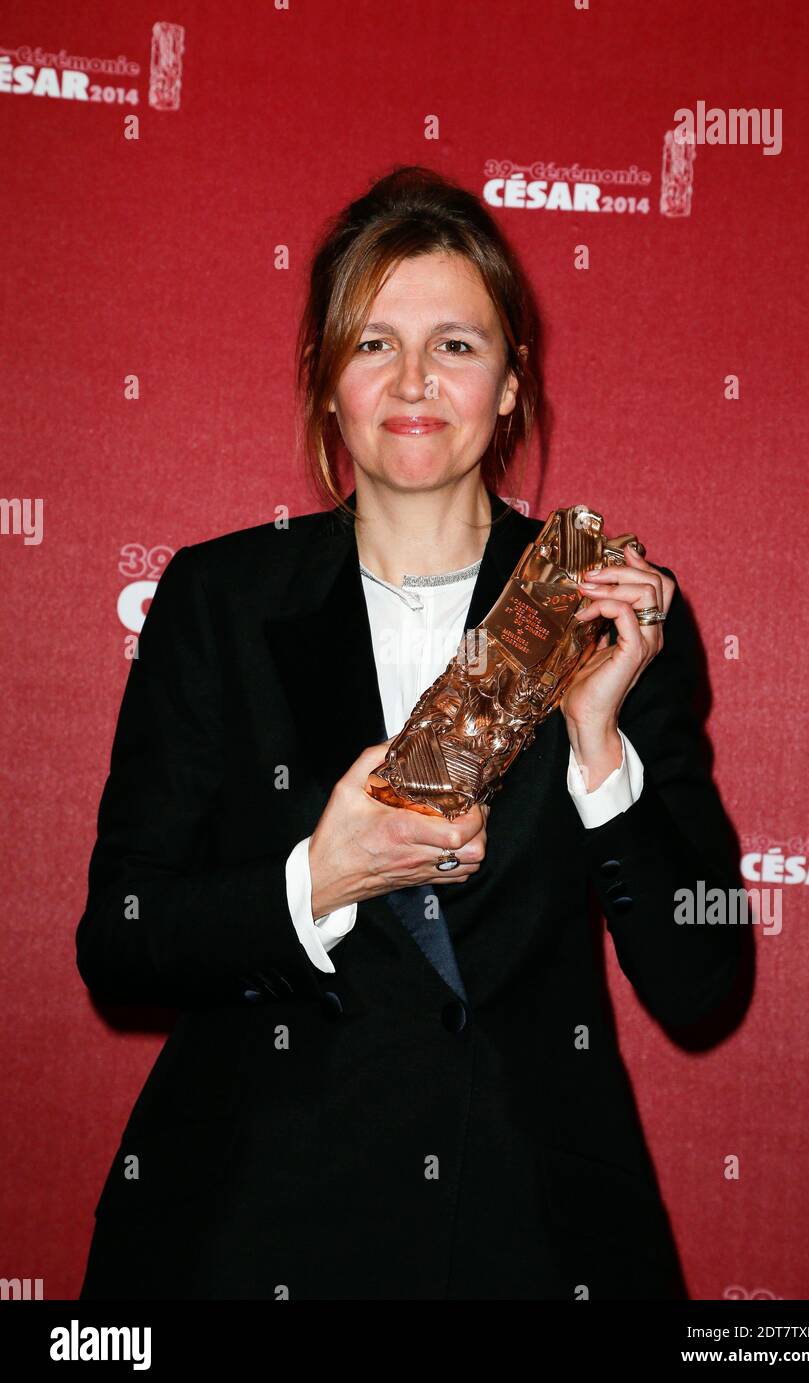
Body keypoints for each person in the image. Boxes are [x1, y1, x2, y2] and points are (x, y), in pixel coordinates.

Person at [77, 165, 750, 1300]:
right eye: (373, 341)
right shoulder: (217, 598)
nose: (413, 381)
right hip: (251, 1219)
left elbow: (701, 977)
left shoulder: (604, 608)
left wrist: (599, 748)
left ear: (509, 381)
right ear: (323, 376)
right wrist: (311, 881)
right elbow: (121, 938)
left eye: (455, 343)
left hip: (521, 1226)